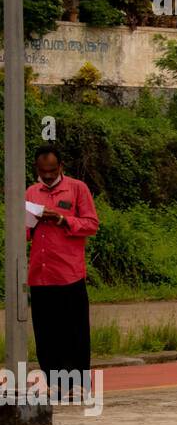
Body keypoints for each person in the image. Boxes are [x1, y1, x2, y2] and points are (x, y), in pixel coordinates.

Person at [25, 144, 99, 402]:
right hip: (40, 274)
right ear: (37, 169)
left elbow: (91, 224)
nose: (47, 176)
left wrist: (62, 219)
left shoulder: (77, 188)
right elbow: (23, 232)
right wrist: (28, 221)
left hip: (69, 273)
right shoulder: (31, 192)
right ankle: (54, 381)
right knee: (46, 331)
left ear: (61, 167)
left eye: (52, 171)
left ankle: (79, 383)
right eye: (43, 171)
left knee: (74, 330)